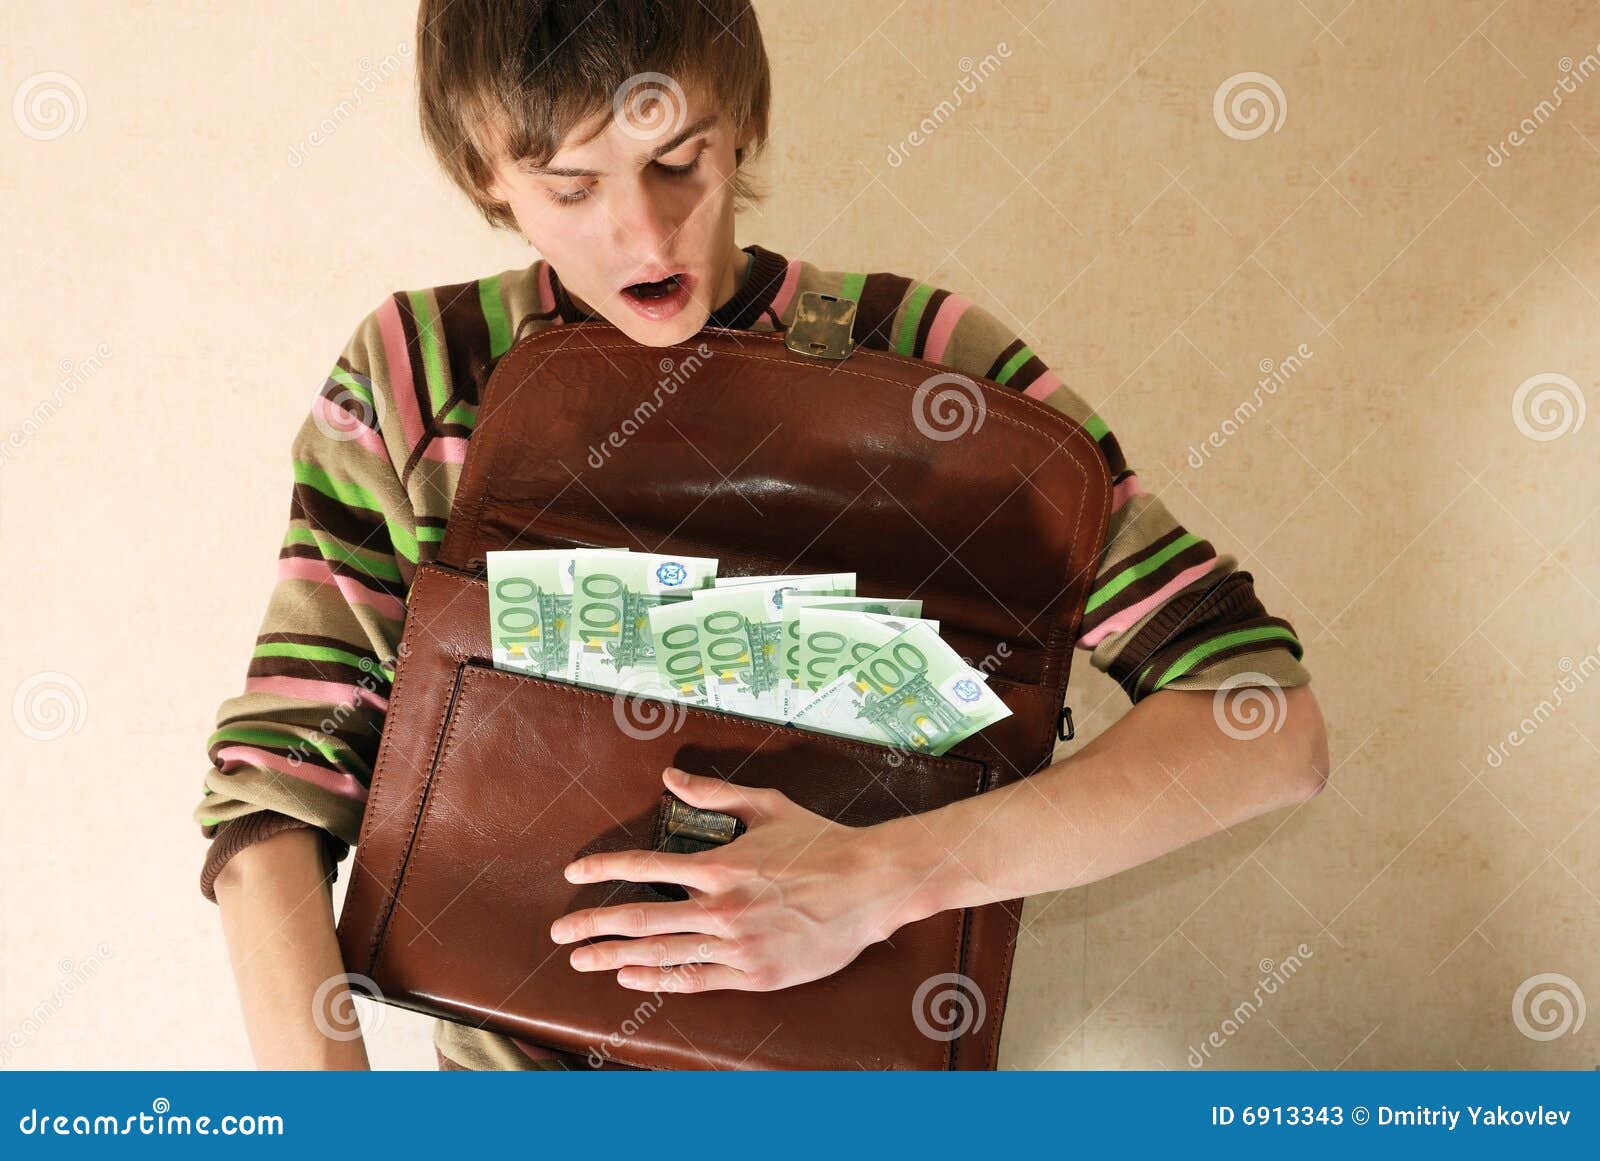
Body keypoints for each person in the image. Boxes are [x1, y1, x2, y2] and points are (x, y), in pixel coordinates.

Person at [196, 0, 1329, 1071]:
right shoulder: (418, 376)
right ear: (483, 177)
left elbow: (1265, 723)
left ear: (742, 118)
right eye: (568, 187)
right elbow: (272, 809)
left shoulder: (934, 368)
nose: (640, 233)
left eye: (677, 160)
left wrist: (876, 879)